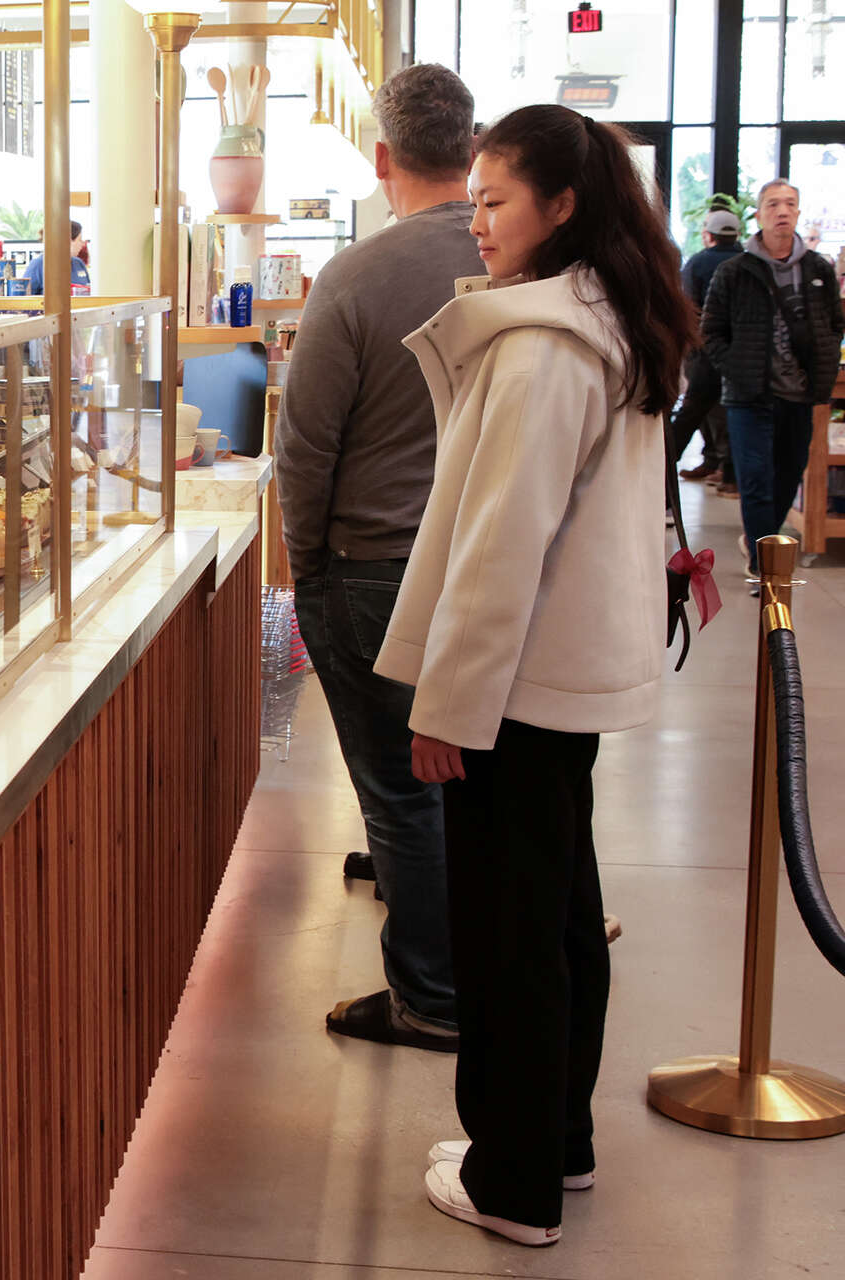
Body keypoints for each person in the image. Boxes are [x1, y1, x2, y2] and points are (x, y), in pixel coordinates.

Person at [375, 104, 696, 1248]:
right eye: (471, 200)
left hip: (514, 684)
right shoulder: (610, 314)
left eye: (497, 201)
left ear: (562, 206)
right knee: (556, 911)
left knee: (511, 931)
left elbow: (502, 544)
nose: (478, 224)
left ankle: (511, 1177)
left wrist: (446, 708)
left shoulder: (543, 342)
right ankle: (554, 1141)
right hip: (562, 680)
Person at [275, 62, 482, 1052]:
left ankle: (430, 996)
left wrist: (305, 566)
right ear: (475, 151)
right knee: (476, 776)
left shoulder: (355, 276)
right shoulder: (516, 263)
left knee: (400, 788)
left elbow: (305, 444)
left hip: (375, 567)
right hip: (488, 567)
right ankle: (484, 953)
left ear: (384, 156)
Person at [701, 179, 844, 577]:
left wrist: (826, 366)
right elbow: (711, 329)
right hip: (749, 396)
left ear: (798, 213)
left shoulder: (818, 269)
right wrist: (736, 367)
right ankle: (768, 569)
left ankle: (758, 539)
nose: (783, 211)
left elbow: (834, 323)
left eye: (790, 204)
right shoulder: (735, 271)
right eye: (773, 204)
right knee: (755, 480)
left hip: (800, 395)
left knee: (788, 473)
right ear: (759, 215)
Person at [672, 210, 743, 482]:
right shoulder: (749, 262)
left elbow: (687, 307)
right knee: (732, 413)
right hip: (741, 354)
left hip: (704, 350)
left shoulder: (698, 263)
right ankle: (723, 470)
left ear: (709, 235)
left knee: (691, 412)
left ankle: (662, 482)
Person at [24, 221, 90, 295]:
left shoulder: (79, 263)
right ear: (68, 240)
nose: (82, 244)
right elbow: (24, 300)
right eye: (80, 239)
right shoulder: (38, 265)